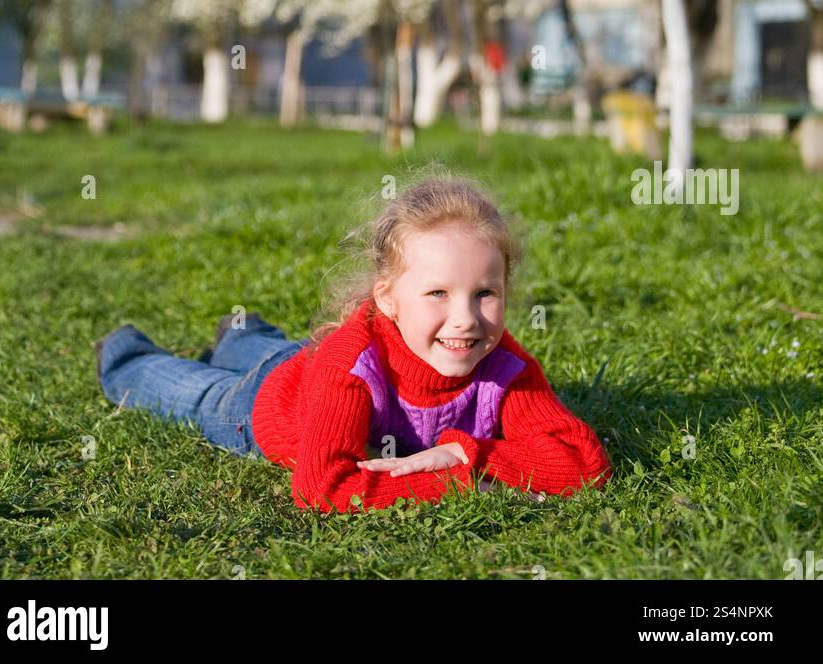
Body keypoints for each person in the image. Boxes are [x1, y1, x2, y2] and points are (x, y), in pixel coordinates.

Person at [95, 174, 612, 513]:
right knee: (204, 395)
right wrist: (460, 482)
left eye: (485, 294)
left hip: (306, 362)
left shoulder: (504, 365)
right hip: (272, 404)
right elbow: (325, 488)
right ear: (387, 299)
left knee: (282, 351)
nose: (466, 319)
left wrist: (464, 455)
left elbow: (583, 463)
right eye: (437, 292)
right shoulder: (351, 363)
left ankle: (243, 333)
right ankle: (127, 357)